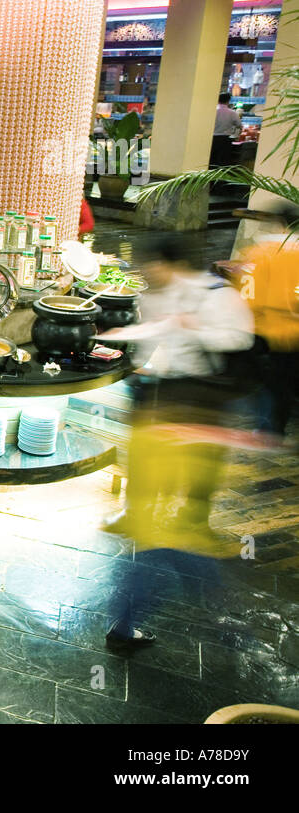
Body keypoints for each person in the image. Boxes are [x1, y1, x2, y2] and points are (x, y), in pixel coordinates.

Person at [101, 233, 254, 545]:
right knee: (143, 453)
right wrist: (128, 336)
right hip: (156, 386)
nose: (150, 272)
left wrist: (196, 329)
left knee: (201, 459)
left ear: (177, 264)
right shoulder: (155, 292)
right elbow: (157, 330)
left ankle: (193, 520)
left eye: (156, 265)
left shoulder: (216, 293)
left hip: (200, 389)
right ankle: (135, 514)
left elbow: (241, 337)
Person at [241, 203, 299, 437]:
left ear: (278, 223)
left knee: (271, 383)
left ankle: (269, 429)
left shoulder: (260, 253)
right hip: (295, 331)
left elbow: (249, 297)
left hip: (267, 330)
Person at [210, 92, 242, 169]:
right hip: (225, 140)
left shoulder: (212, 111)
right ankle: (221, 179)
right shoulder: (232, 113)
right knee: (223, 161)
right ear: (228, 101)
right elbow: (239, 125)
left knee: (211, 160)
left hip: (212, 139)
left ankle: (210, 178)